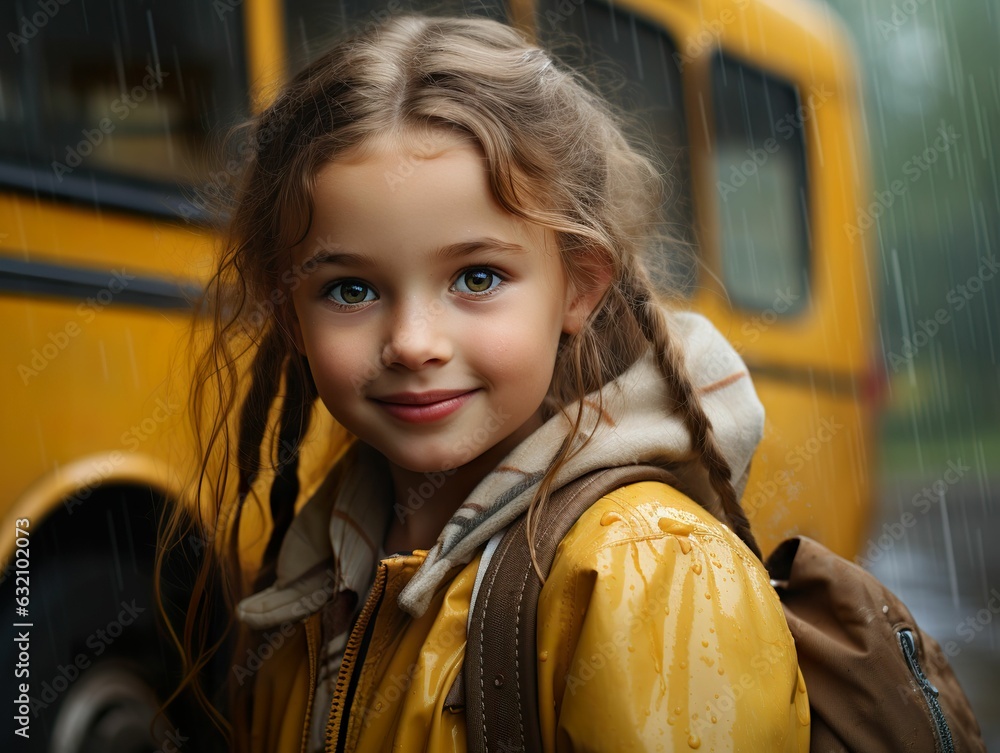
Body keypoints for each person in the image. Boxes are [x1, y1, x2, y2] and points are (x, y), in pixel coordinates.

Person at [176, 14, 811, 753]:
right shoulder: (317, 562)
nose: (413, 343)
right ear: (288, 312)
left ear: (579, 286)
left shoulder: (648, 570)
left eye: (477, 277)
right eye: (350, 290)